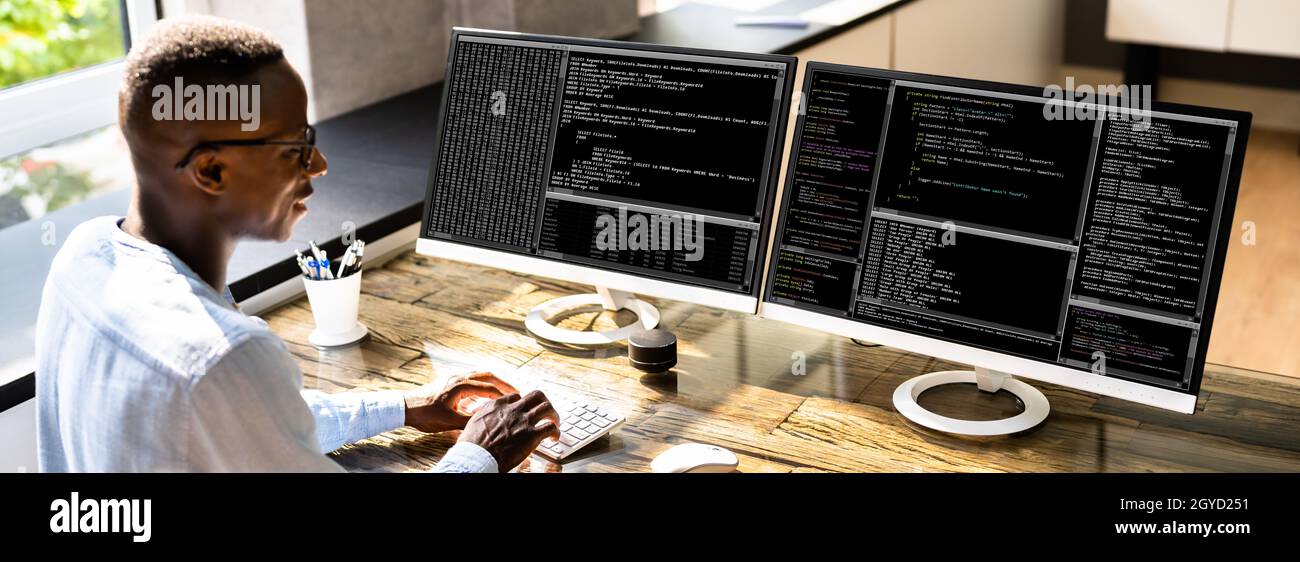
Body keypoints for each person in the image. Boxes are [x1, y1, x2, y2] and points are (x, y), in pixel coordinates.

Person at [35, 15, 559, 472]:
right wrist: (482, 452)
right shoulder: (223, 354)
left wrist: (407, 405)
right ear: (212, 170)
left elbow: (250, 423)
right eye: (297, 147)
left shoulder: (81, 258)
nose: (319, 166)